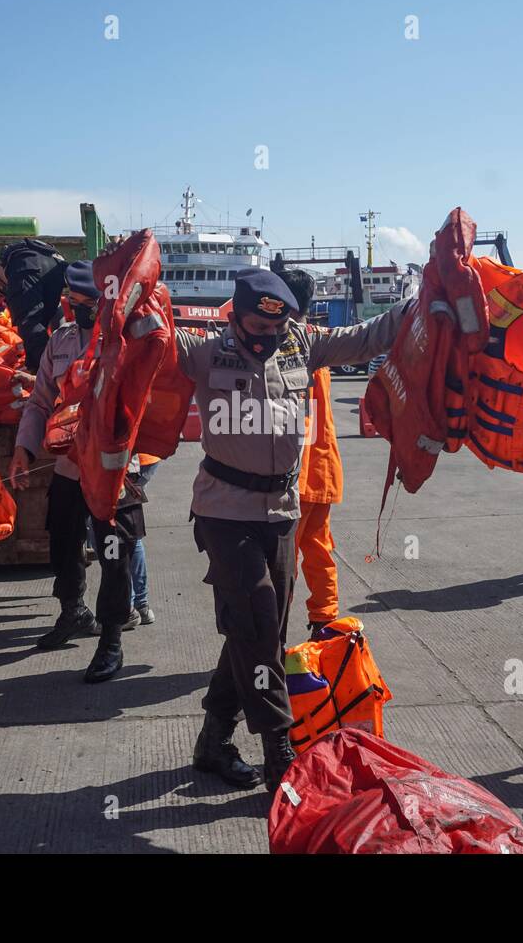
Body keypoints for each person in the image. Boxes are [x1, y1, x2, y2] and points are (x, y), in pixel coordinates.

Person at [175, 267, 408, 793]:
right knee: (258, 622)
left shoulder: (299, 343)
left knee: (258, 631)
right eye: (259, 329)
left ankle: (213, 740)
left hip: (282, 509)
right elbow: (143, 345)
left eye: (278, 330)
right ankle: (279, 750)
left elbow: (362, 339)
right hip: (224, 508)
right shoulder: (205, 352)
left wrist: (414, 311)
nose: (269, 339)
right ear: (237, 318)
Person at [9, 261, 141, 683]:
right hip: (68, 467)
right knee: (62, 541)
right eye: (73, 302)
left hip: (112, 470)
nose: (79, 309)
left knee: (113, 552)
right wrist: (23, 449)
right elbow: (40, 400)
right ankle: (74, 611)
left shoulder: (126, 341)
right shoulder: (61, 342)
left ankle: (113, 638)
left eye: (87, 303)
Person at [281, 269, 343, 632]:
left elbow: (297, 418)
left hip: (295, 475)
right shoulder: (317, 340)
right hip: (321, 469)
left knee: (281, 559)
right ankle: (325, 622)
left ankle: (272, 629)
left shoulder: (288, 344)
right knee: (319, 551)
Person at [0, 239, 68, 374]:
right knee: (42, 323)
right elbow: (57, 315)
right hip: (57, 264)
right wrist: (64, 349)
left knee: (30, 326)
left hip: (28, 266)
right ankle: (60, 367)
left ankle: (46, 375)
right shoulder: (5, 270)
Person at [128, 454, 161, 626]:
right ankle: (139, 604)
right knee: (130, 537)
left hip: (128, 468)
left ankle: (131, 606)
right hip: (137, 465)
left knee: (122, 539)